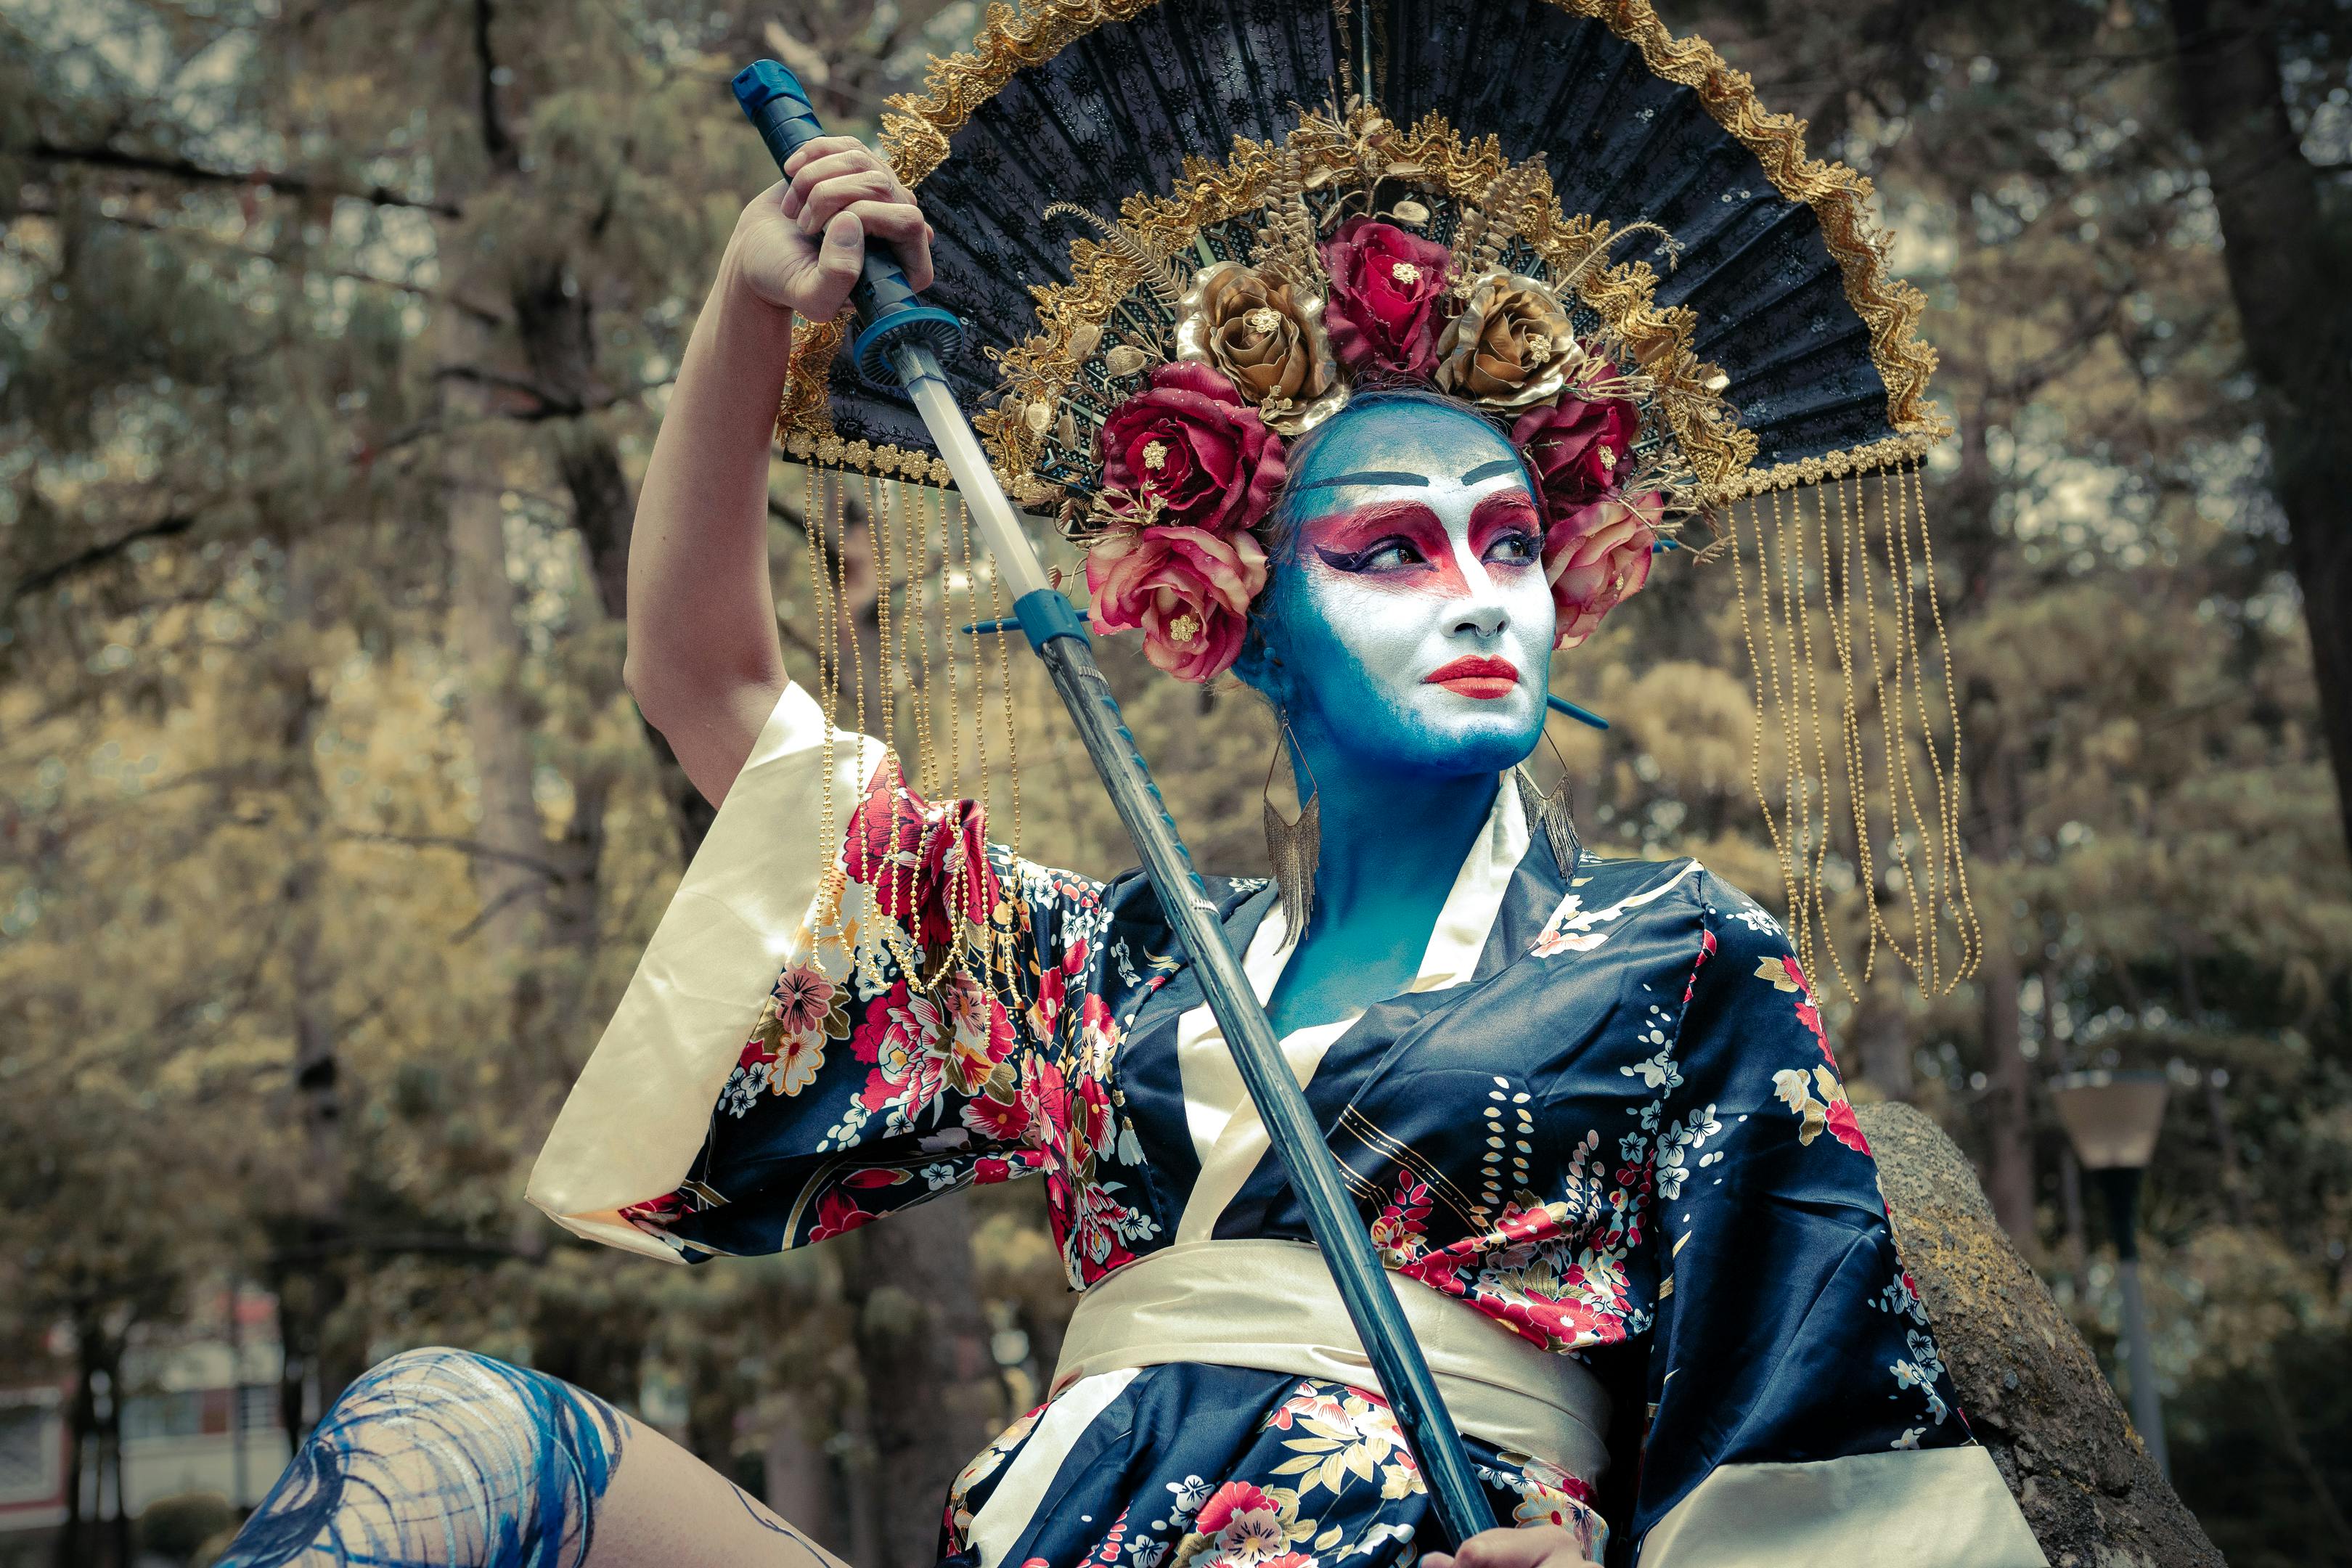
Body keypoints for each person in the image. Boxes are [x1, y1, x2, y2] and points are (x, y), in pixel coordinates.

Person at [216, 3, 2049, 1561]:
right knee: (446, 1432)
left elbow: (1814, 1454)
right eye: (1392, 550)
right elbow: (707, 690)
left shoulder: (1675, 961)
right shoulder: (1119, 966)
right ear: (1243, 620)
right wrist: (748, 307)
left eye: (1511, 541)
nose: (1482, 593)